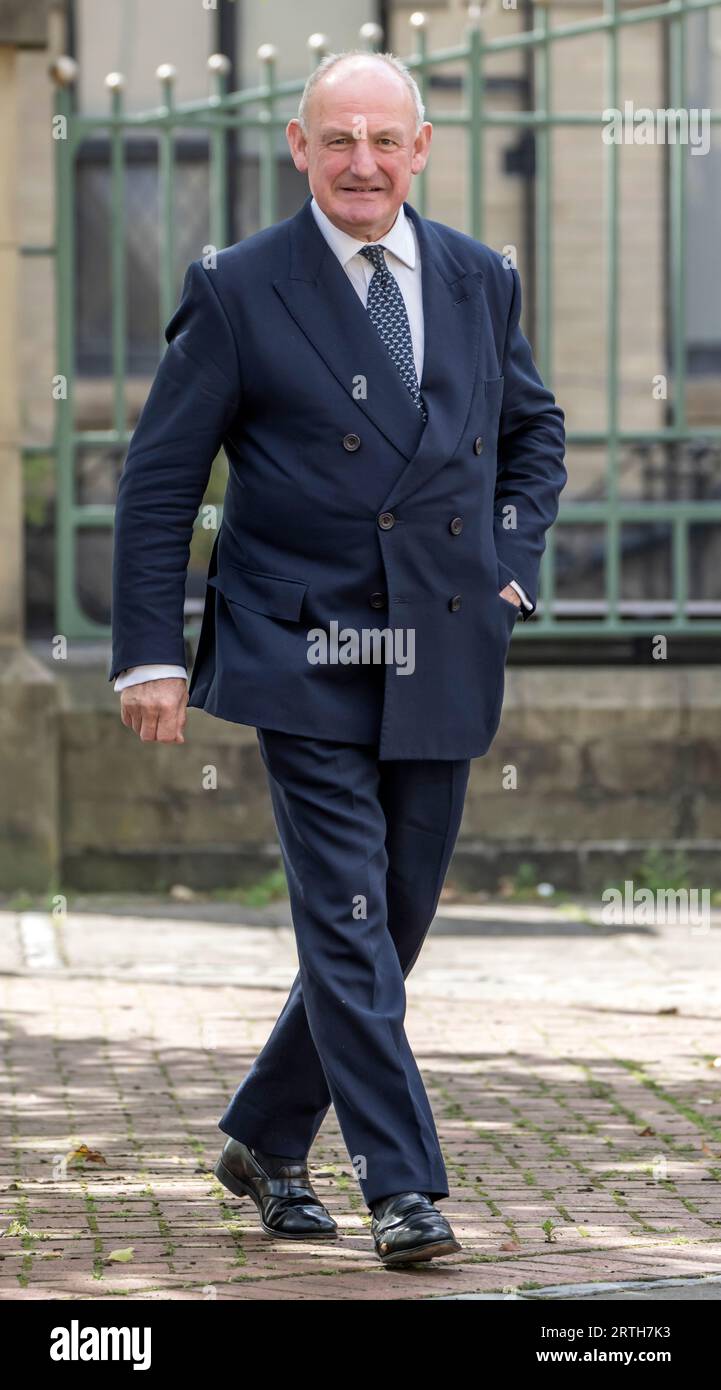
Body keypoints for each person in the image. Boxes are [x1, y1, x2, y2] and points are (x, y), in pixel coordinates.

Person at [110, 49, 566, 1267]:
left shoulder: (479, 276)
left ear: (420, 150)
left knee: (392, 917)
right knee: (349, 919)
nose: (361, 162)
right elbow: (159, 482)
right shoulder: (237, 286)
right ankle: (401, 1186)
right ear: (299, 150)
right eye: (337, 140)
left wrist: (510, 563)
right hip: (300, 645)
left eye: (383, 140)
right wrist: (148, 652)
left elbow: (533, 432)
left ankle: (265, 1135)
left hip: (443, 640)